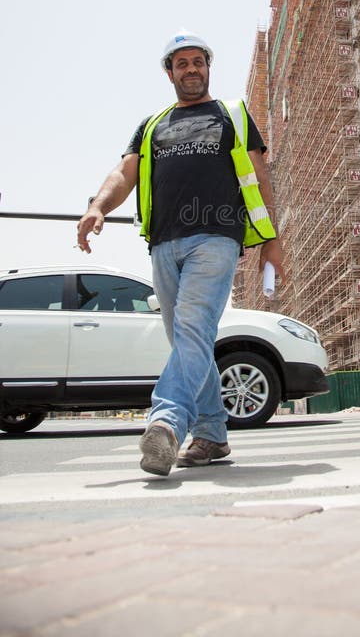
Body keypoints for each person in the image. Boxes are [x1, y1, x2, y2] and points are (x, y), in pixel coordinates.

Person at [77, 30, 285, 475]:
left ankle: (166, 423)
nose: (192, 69)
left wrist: (272, 237)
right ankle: (212, 433)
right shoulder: (152, 124)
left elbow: (260, 175)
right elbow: (124, 173)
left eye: (198, 62)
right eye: (182, 63)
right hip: (163, 242)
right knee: (187, 340)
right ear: (169, 72)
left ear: (208, 67)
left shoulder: (232, 113)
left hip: (216, 237)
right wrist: (97, 205)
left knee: (192, 328)